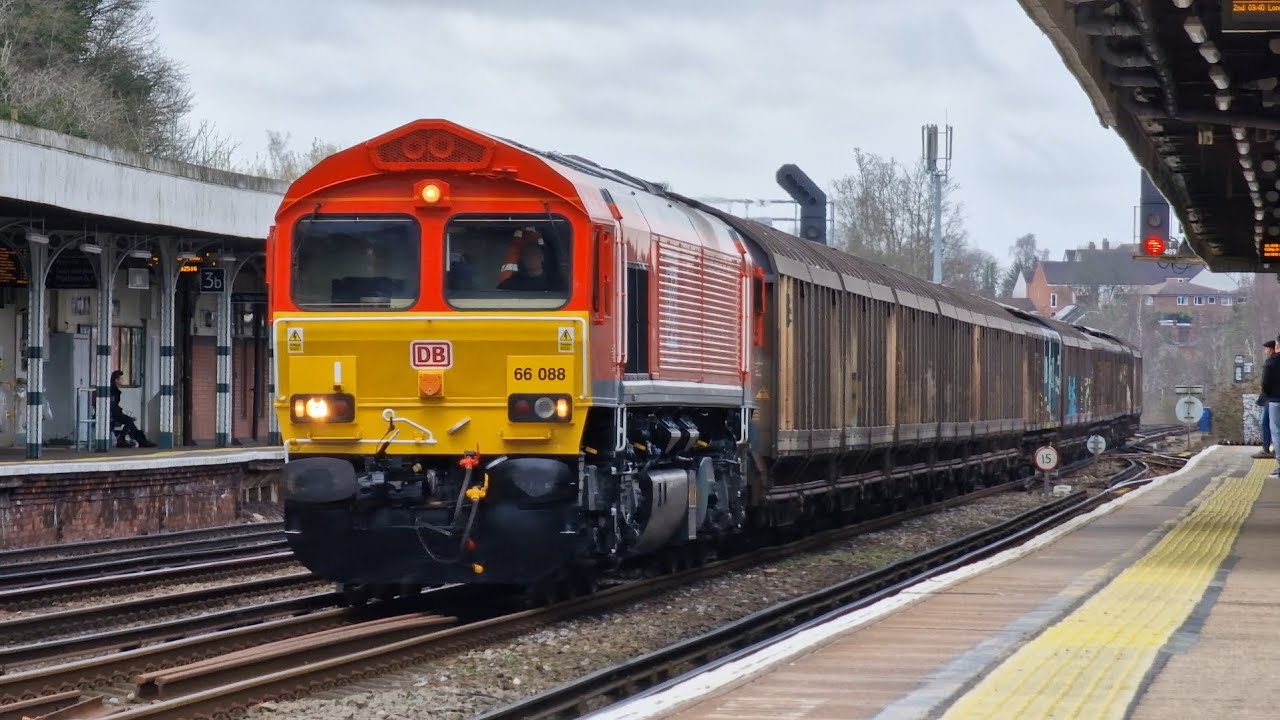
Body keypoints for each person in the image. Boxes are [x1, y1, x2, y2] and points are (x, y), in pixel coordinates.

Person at [110, 370, 155, 448]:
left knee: (130, 422)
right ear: (116, 380)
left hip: (115, 412)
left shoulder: (114, 389)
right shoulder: (114, 391)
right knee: (130, 421)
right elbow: (113, 405)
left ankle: (140, 441)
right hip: (114, 413)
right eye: (121, 378)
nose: (123, 380)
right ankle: (126, 438)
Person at [1255, 340, 1277, 459]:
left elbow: (1266, 382)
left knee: (1266, 423)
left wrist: (1266, 394)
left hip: (1271, 398)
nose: (1265, 351)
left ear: (1272, 349)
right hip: (1271, 397)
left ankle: (1267, 448)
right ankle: (1271, 448)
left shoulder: (1271, 362)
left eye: (1267, 349)